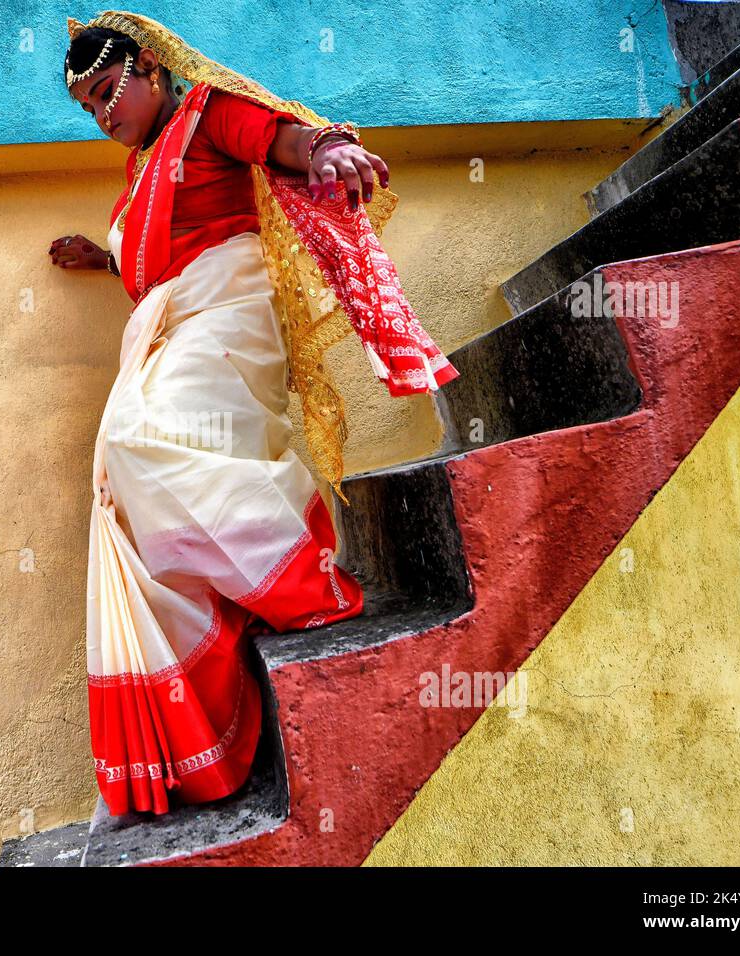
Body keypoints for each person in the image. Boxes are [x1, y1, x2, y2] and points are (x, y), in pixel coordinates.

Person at [50, 10, 459, 819]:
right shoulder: (137, 176)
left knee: (140, 443)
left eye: (108, 92)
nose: (103, 116)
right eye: (90, 108)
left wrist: (329, 148)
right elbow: (160, 259)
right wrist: (106, 261)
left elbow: (282, 139)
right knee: (121, 486)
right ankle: (208, 684)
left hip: (230, 315)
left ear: (153, 70)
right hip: (173, 326)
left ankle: (304, 581)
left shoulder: (207, 112)